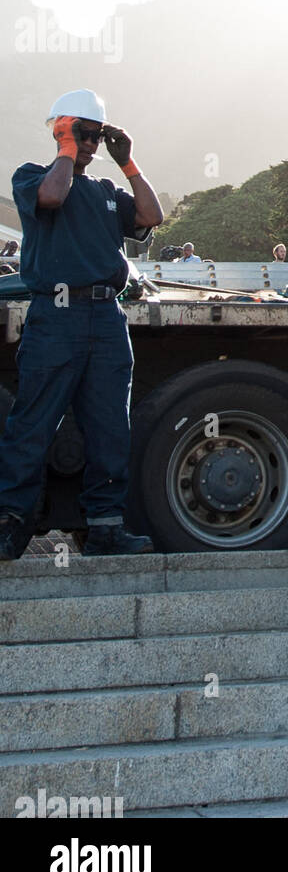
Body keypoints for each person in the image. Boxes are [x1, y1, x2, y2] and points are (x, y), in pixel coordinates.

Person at [0, 89, 163, 561]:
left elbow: (152, 216)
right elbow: (53, 195)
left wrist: (127, 163)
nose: (93, 143)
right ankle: (12, 523)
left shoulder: (108, 193)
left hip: (106, 316)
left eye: (97, 135)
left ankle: (107, 527)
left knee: (110, 426)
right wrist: (68, 147)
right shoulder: (32, 177)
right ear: (62, 130)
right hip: (56, 316)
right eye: (84, 133)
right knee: (32, 423)